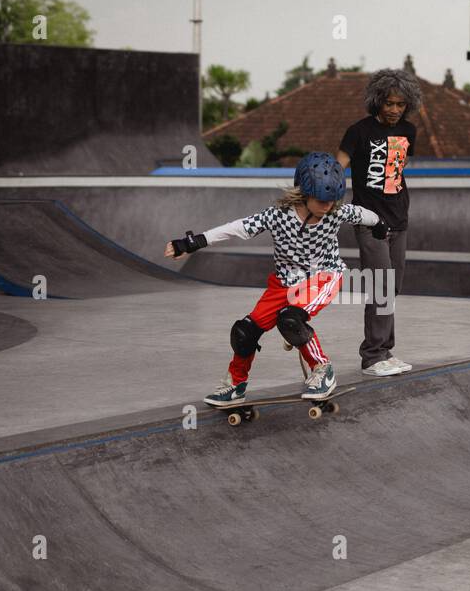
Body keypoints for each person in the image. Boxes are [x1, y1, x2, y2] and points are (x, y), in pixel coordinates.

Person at [165, 152, 386, 406]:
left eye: (332, 200)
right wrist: (193, 242)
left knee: (291, 320)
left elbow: (362, 213)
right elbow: (237, 227)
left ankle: (322, 370)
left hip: (324, 276)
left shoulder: (337, 212)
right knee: (245, 331)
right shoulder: (278, 215)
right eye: (321, 200)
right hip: (283, 284)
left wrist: (380, 224)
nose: (327, 206)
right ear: (304, 192)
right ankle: (235, 385)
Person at [336, 67, 419, 374]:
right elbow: (336, 167)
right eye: (389, 104)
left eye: (401, 104)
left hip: (399, 218)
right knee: (381, 285)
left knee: (392, 286)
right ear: (377, 101)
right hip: (369, 220)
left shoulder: (409, 131)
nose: (395, 110)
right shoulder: (358, 131)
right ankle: (372, 356)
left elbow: (399, 170)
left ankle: (385, 350)